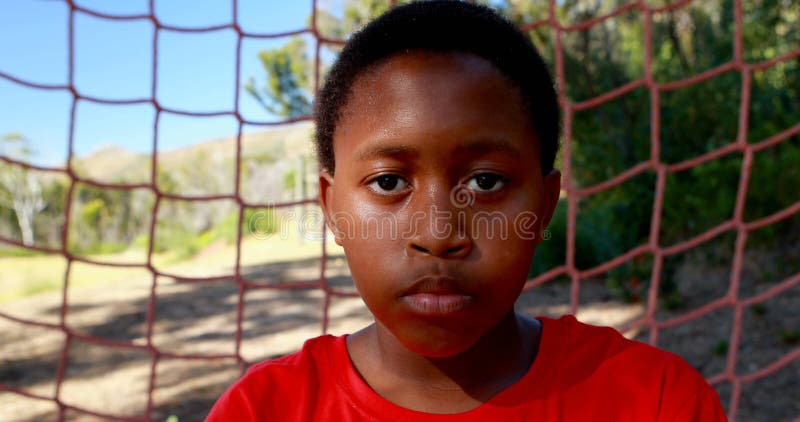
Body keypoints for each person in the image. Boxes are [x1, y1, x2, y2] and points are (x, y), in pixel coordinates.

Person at [207, 1, 727, 420]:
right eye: (388, 182)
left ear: (545, 206)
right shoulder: (261, 410)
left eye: (485, 181)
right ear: (332, 208)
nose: (438, 234)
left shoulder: (656, 401)